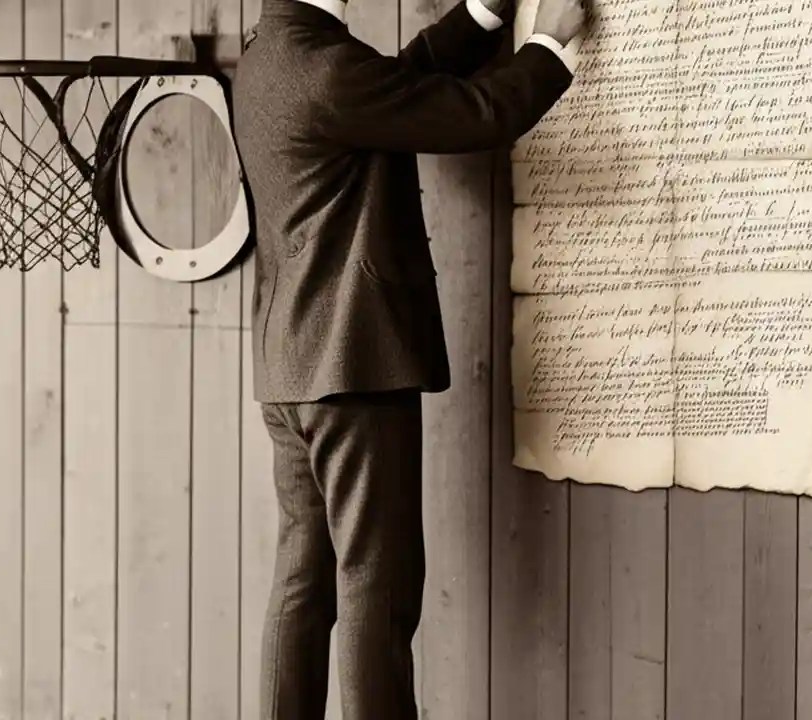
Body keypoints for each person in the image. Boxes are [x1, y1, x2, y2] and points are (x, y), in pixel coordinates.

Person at [231, 0, 584, 715]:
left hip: (292, 370)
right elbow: (475, 114)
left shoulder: (272, 54)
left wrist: (481, 14)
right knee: (378, 587)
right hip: (353, 367)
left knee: (305, 581)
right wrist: (549, 44)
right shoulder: (326, 68)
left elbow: (394, 86)